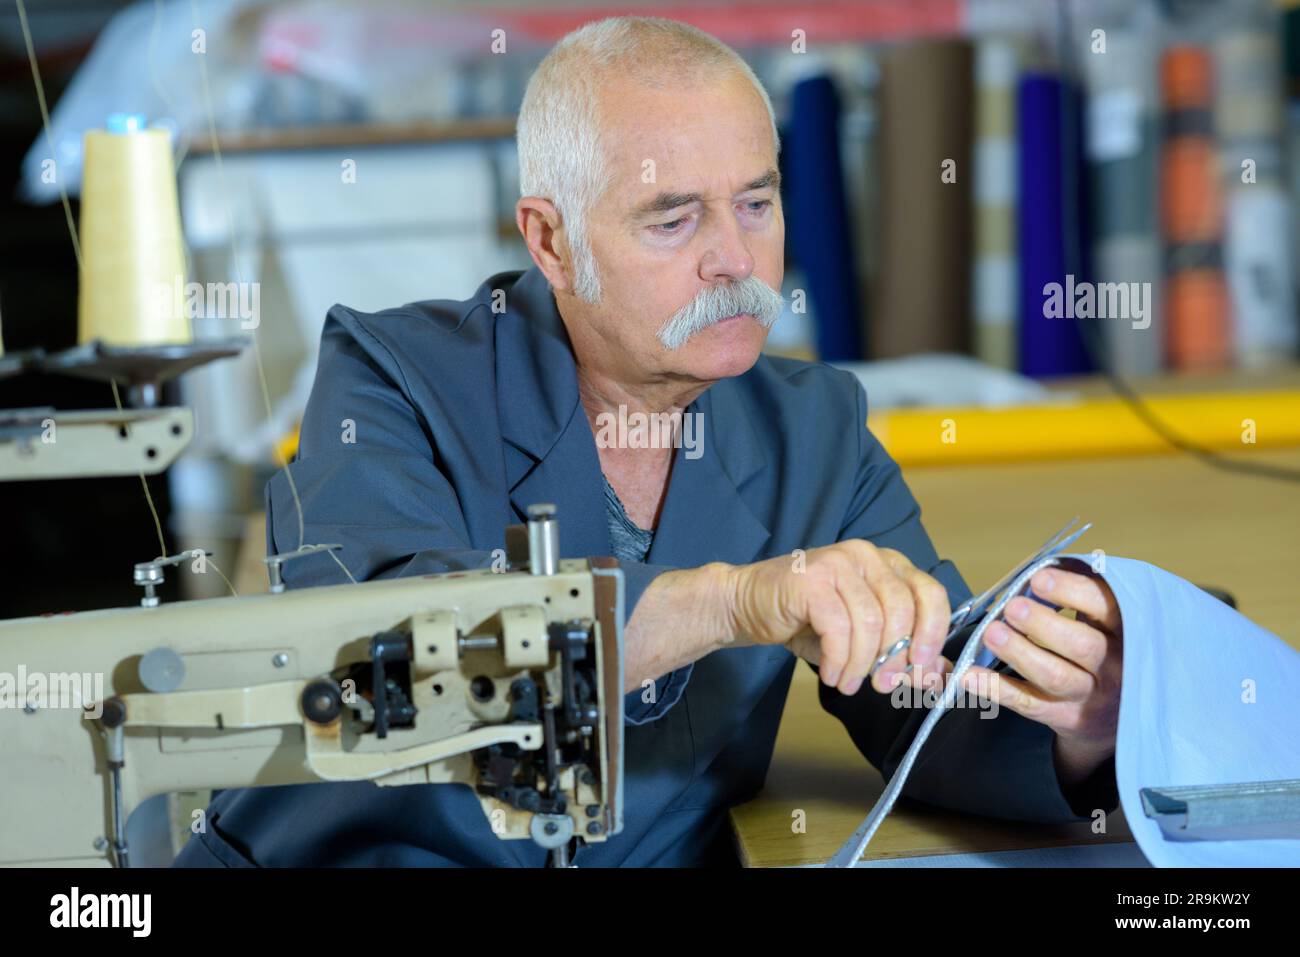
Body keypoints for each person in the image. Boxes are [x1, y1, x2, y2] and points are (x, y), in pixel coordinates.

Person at [176, 16, 1121, 868]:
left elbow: (925, 707)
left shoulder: (813, 427)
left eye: (757, 203)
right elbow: (379, 663)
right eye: (673, 219)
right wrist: (728, 601)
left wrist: (1078, 723)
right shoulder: (393, 375)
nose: (736, 260)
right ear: (551, 243)